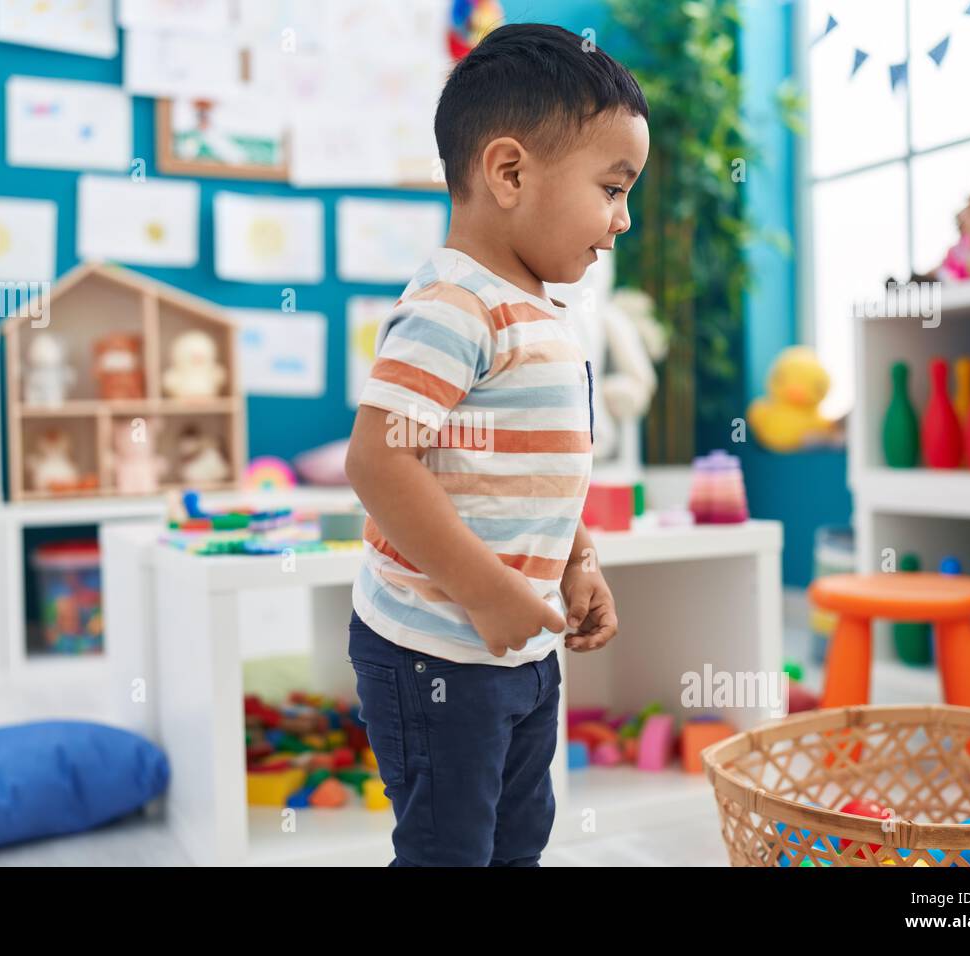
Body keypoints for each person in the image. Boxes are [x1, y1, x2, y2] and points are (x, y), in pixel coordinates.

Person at [343, 23, 650, 866]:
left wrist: (577, 559)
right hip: (434, 651)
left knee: (519, 840)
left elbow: (534, 473)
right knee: (450, 850)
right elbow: (378, 459)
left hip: (517, 647)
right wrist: (486, 592)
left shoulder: (541, 311)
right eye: (613, 189)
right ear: (509, 172)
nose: (622, 220)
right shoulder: (454, 304)